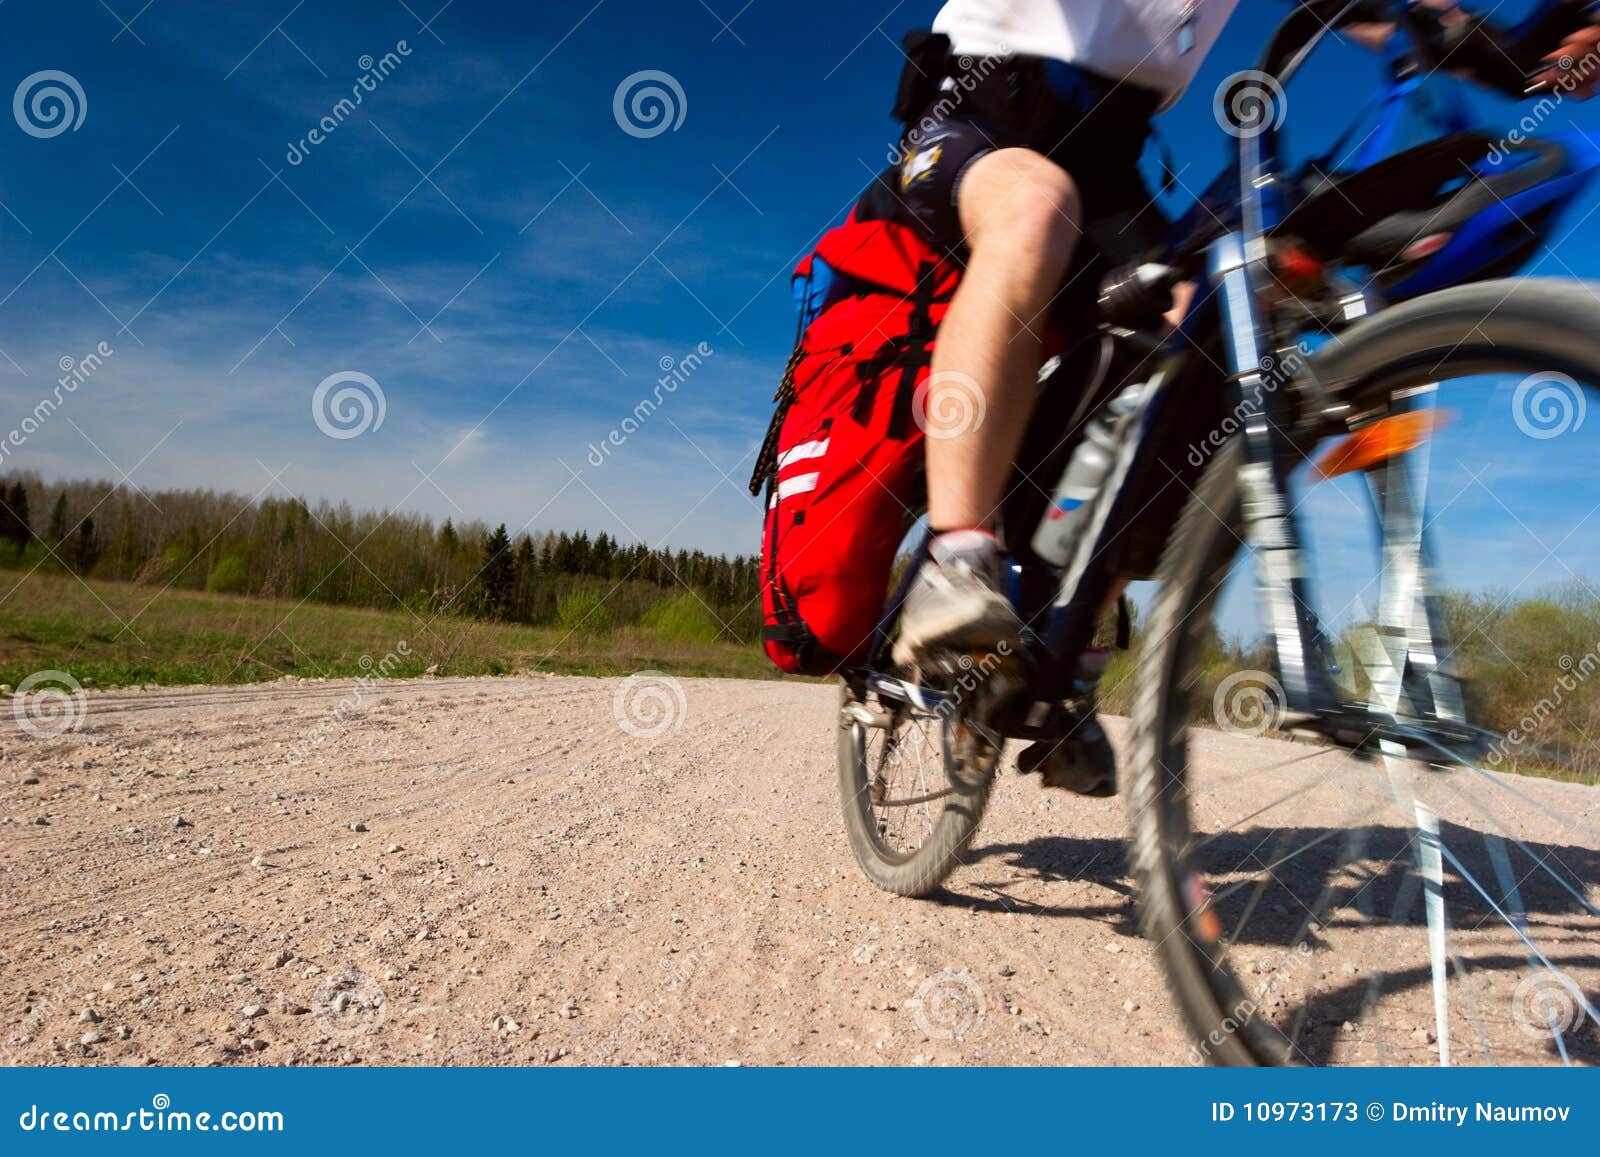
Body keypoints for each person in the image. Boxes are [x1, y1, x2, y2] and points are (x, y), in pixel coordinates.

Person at [887, 0, 1600, 788]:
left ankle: (1066, 650)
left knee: (1196, 332)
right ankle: (955, 561)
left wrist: (1506, 49)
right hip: (978, 107)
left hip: (1114, 148)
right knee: (1034, 208)